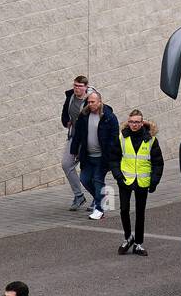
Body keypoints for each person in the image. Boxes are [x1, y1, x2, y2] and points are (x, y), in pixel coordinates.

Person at [115, 109, 163, 256]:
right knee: (124, 209)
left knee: (140, 213)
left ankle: (138, 244)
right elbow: (113, 158)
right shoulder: (122, 138)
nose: (134, 125)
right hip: (126, 180)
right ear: (128, 123)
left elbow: (158, 163)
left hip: (142, 181)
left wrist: (154, 181)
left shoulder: (151, 140)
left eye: (137, 122)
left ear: (142, 123)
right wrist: (118, 175)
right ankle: (128, 237)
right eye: (131, 122)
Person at [70, 90, 120, 220]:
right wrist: (74, 150)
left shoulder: (109, 117)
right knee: (85, 179)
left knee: (98, 180)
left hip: (102, 157)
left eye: (93, 102)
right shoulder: (84, 115)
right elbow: (78, 135)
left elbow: (114, 139)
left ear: (100, 102)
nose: (90, 104)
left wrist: (111, 156)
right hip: (88, 156)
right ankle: (102, 199)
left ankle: (99, 209)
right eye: (89, 102)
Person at [60, 76, 95, 211]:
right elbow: (64, 114)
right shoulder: (70, 97)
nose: (76, 88)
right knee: (66, 164)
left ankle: (97, 199)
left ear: (86, 87)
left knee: (87, 171)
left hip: (88, 139)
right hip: (74, 137)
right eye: (75, 85)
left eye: (80, 86)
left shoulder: (91, 100)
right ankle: (79, 196)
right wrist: (66, 122)